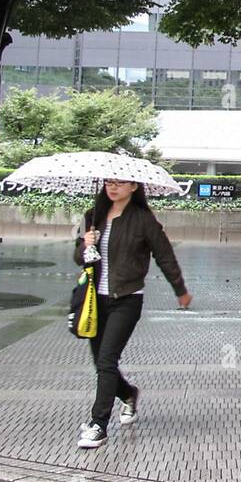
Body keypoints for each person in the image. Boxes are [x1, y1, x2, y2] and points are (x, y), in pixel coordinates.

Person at [72, 178, 191, 449]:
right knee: (103, 364)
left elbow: (165, 255)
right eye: (109, 183)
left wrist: (180, 289)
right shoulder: (93, 216)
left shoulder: (143, 220)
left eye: (120, 183)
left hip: (126, 300)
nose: (113, 188)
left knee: (106, 360)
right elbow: (79, 258)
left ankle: (98, 424)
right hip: (94, 300)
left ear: (134, 187)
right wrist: (85, 243)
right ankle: (128, 394)